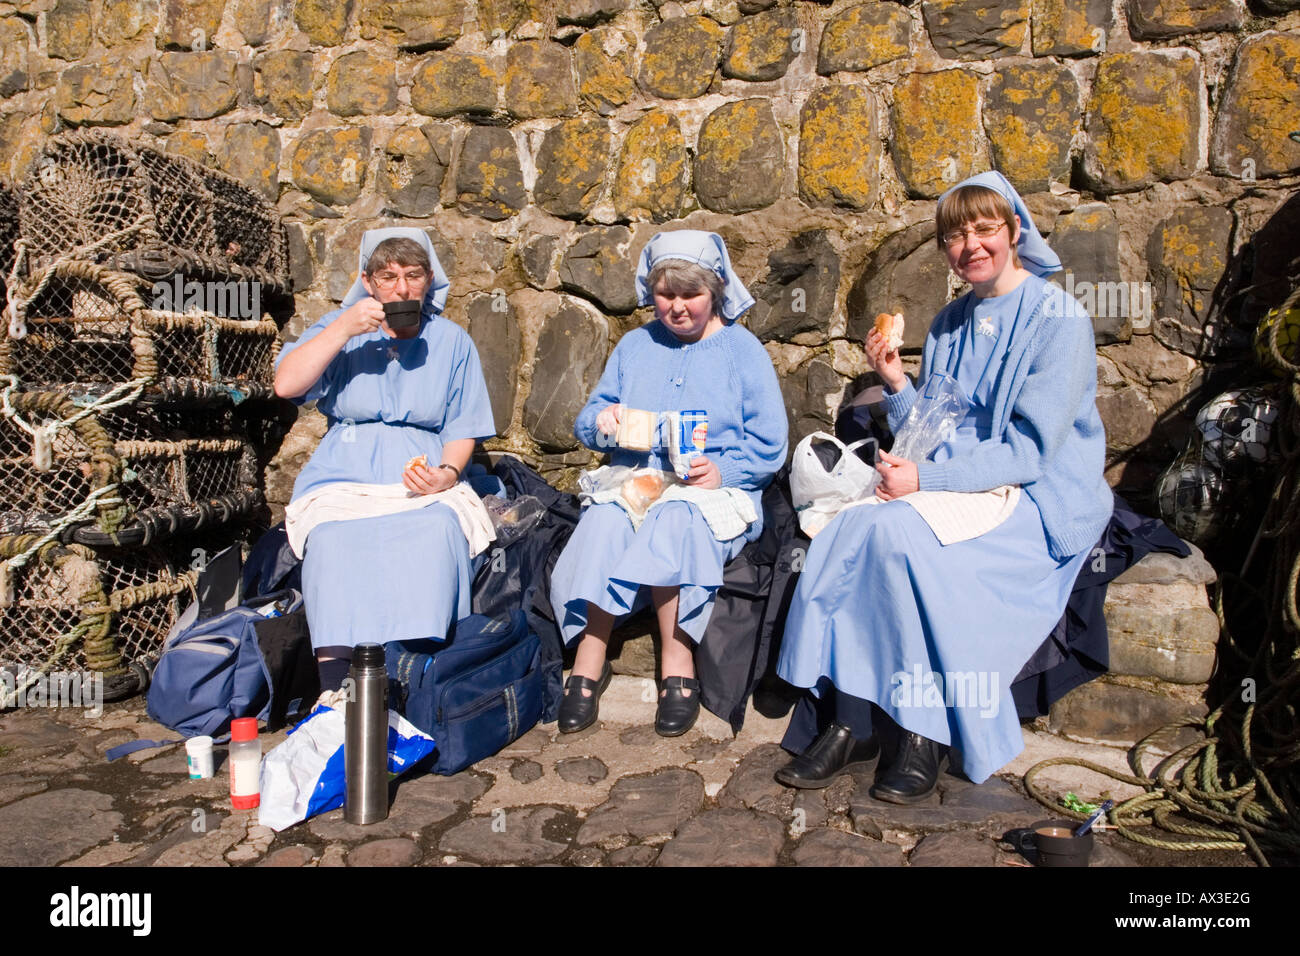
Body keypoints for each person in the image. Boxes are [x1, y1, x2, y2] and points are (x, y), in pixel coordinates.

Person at [774, 171, 1112, 802]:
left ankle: (920, 733)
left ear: (1014, 231)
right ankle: (850, 720)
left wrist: (927, 477)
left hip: (1033, 494)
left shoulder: (1057, 319)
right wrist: (895, 381)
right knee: (851, 527)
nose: (970, 246)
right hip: (959, 485)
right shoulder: (953, 320)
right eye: (955, 236)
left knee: (901, 540)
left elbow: (1032, 452)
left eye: (984, 229)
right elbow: (933, 426)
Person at [549, 230, 789, 737]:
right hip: (637, 478)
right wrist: (604, 423)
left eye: (691, 296)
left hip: (709, 490)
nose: (678, 308)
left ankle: (677, 667)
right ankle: (589, 662)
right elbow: (587, 420)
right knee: (604, 520)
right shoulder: (636, 346)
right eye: (666, 295)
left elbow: (770, 445)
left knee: (673, 516)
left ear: (715, 291)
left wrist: (724, 471)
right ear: (651, 291)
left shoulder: (742, 351)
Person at [273, 227, 496, 690]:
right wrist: (342, 328)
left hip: (420, 471)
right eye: (388, 276)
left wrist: (449, 474)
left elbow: (461, 426)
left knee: (436, 532)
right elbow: (287, 385)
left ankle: (411, 674)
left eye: (412, 276)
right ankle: (336, 686)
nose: (401, 288)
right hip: (345, 471)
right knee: (333, 539)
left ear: (429, 279)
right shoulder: (344, 328)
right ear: (368, 281)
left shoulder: (451, 341)